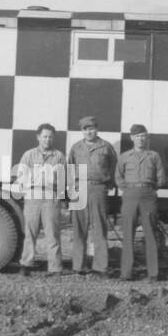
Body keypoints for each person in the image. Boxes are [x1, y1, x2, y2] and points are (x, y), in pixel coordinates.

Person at [66, 115, 117, 277]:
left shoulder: (106, 147)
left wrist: (106, 186)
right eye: (85, 129)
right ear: (82, 131)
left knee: (100, 229)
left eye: (92, 128)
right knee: (79, 229)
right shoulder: (75, 148)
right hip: (79, 189)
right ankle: (79, 266)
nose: (89, 132)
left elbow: (114, 168)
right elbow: (69, 169)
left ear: (97, 129)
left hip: (98, 189)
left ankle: (100, 267)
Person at [115, 124, 166, 281]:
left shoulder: (154, 156)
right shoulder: (125, 156)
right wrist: (130, 188)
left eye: (143, 135)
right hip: (129, 195)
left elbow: (161, 179)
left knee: (150, 233)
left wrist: (148, 188)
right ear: (132, 138)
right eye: (137, 136)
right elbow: (118, 177)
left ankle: (153, 273)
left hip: (148, 195)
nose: (140, 139)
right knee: (128, 233)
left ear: (147, 137)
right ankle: (126, 273)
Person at [16, 123, 66, 277]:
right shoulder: (29, 155)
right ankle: (26, 264)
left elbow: (64, 180)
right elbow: (21, 178)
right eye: (44, 136)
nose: (47, 140)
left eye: (50, 137)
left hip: (51, 198)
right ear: (38, 137)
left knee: (53, 234)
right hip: (33, 197)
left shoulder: (59, 156)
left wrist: (60, 198)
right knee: (30, 233)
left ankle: (55, 267)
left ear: (54, 138)